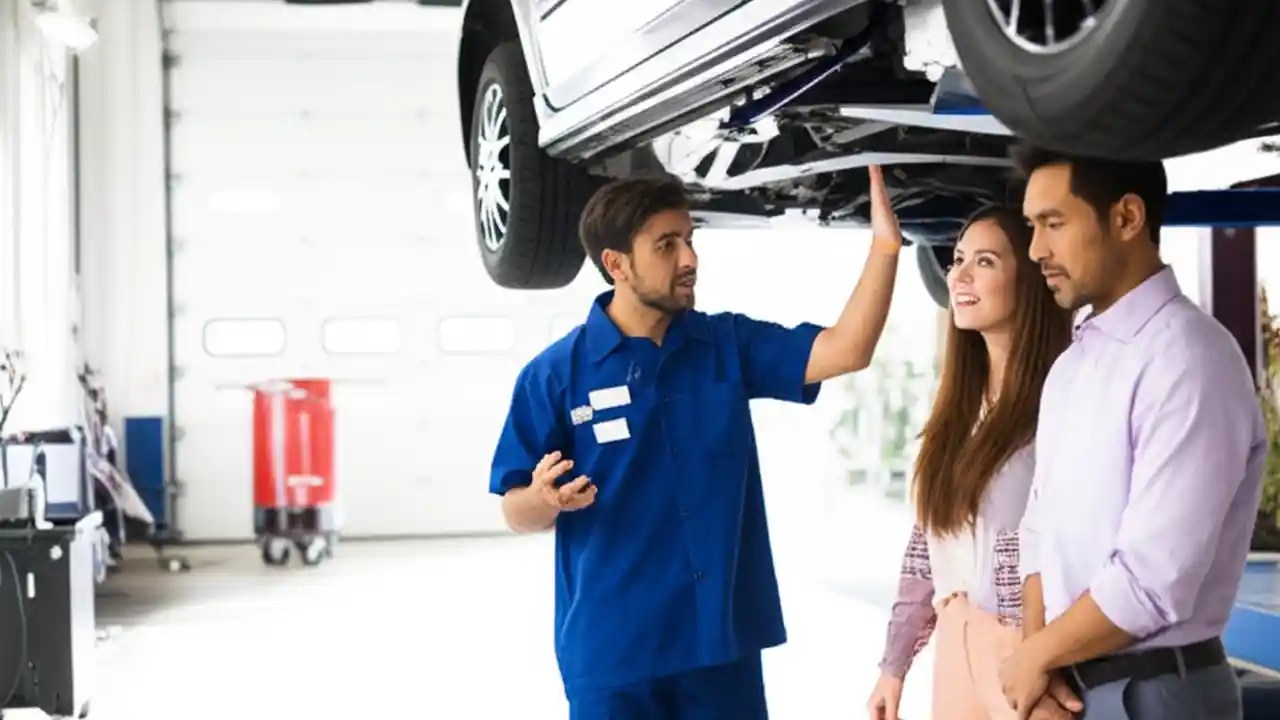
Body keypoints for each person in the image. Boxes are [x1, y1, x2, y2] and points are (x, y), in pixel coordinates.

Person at [489, 166, 903, 719]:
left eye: (689, 239)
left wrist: (885, 248)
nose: (689, 259)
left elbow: (846, 349)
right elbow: (515, 508)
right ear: (616, 264)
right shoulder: (554, 375)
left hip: (717, 650)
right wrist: (543, 500)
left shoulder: (724, 344)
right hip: (614, 656)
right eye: (666, 244)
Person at [997, 146, 1267, 720]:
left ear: (1126, 218)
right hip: (1070, 685)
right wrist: (1037, 666)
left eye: (1053, 223)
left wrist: (1034, 658)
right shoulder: (1073, 364)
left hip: (1157, 693)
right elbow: (1040, 530)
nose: (1037, 249)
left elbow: (1152, 580)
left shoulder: (1191, 357)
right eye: (1031, 227)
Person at [865, 206, 1076, 720]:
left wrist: (1043, 652)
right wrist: (893, 667)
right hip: (957, 639)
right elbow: (926, 544)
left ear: (1027, 281)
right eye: (958, 260)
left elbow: (1074, 547)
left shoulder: (1063, 400)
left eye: (984, 261)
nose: (958, 275)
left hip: (1023, 652)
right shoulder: (960, 412)